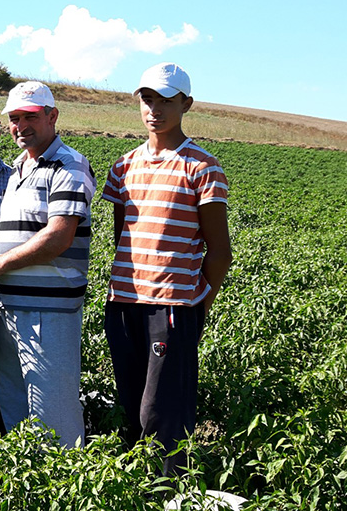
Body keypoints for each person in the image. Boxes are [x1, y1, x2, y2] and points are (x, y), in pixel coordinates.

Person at [101, 63, 232, 476]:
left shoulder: (202, 167)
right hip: (123, 302)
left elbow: (220, 252)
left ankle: (170, 490)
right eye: (147, 99)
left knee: (163, 413)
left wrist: (199, 306)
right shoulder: (123, 166)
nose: (154, 109)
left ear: (186, 104)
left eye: (165, 100)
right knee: (132, 403)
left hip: (172, 307)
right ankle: (136, 488)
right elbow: (124, 235)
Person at [0, 81, 96, 448]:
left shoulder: (68, 164)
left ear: (52, 116)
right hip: (8, 307)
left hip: (47, 311)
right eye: (15, 118)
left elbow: (58, 237)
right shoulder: (19, 169)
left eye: (31, 117)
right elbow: (29, 231)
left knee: (52, 414)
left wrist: (0, 262)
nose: (21, 125)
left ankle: (63, 488)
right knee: (17, 409)